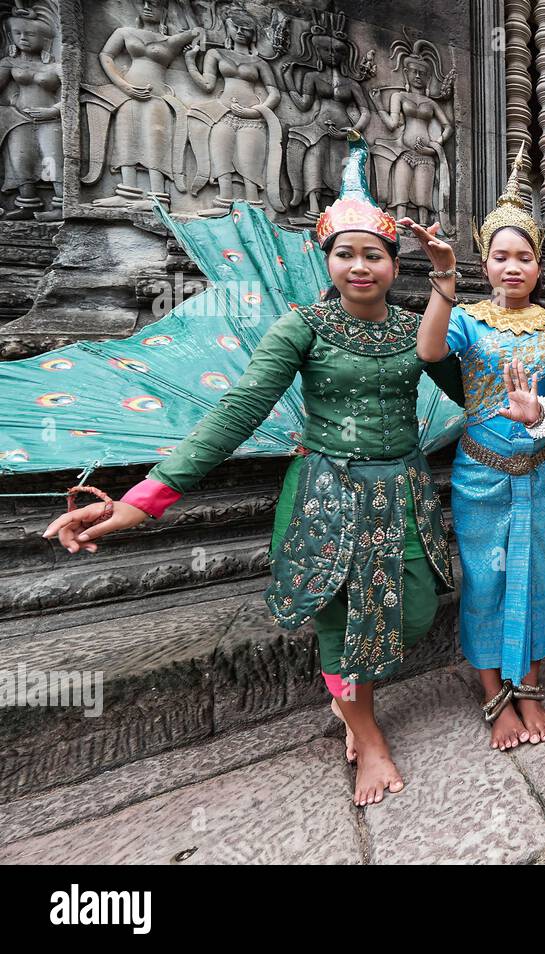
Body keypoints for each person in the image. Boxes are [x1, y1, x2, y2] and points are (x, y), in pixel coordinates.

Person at [44, 135, 458, 807]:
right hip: (329, 493)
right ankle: (365, 728)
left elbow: (458, 378)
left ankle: (351, 705)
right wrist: (145, 499)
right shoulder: (302, 327)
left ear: (392, 265)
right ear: (327, 262)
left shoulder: (415, 327)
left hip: (402, 492)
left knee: (406, 612)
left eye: (373, 254)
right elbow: (236, 410)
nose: (360, 265)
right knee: (339, 621)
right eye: (345, 253)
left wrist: (446, 285)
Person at [412, 146, 545, 751]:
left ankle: (531, 683)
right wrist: (442, 281)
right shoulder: (466, 319)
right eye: (500, 257)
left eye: (524, 257)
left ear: (540, 264)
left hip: (541, 471)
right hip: (479, 473)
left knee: (541, 574)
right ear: (484, 263)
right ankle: (494, 690)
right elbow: (430, 353)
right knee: (486, 579)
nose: (511, 268)